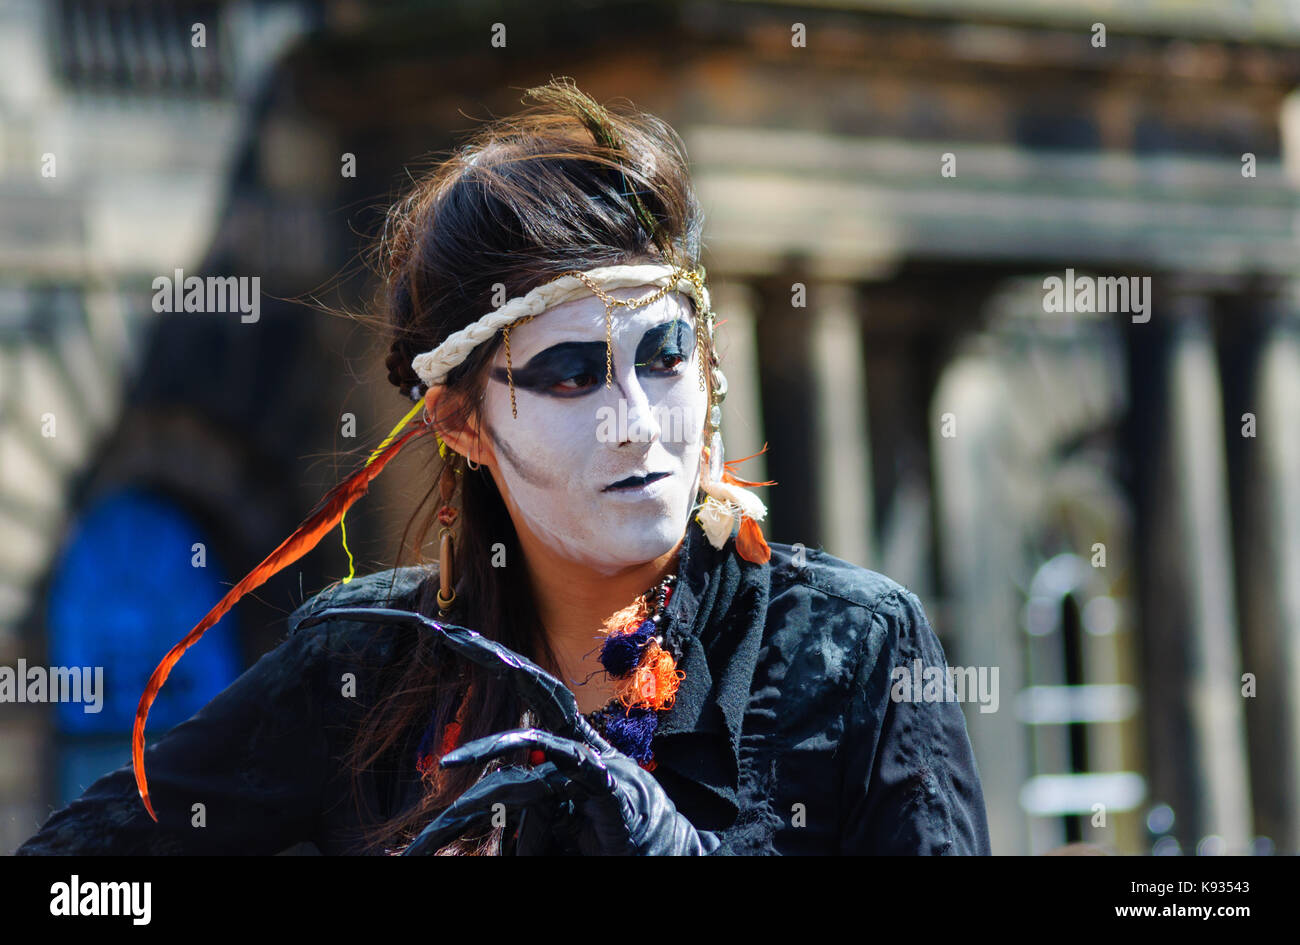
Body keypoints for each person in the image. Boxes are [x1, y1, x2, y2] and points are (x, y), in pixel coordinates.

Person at [15, 78, 991, 856]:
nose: (634, 425)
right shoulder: (361, 667)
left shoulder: (853, 648)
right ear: (459, 419)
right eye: (569, 375)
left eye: (663, 357)